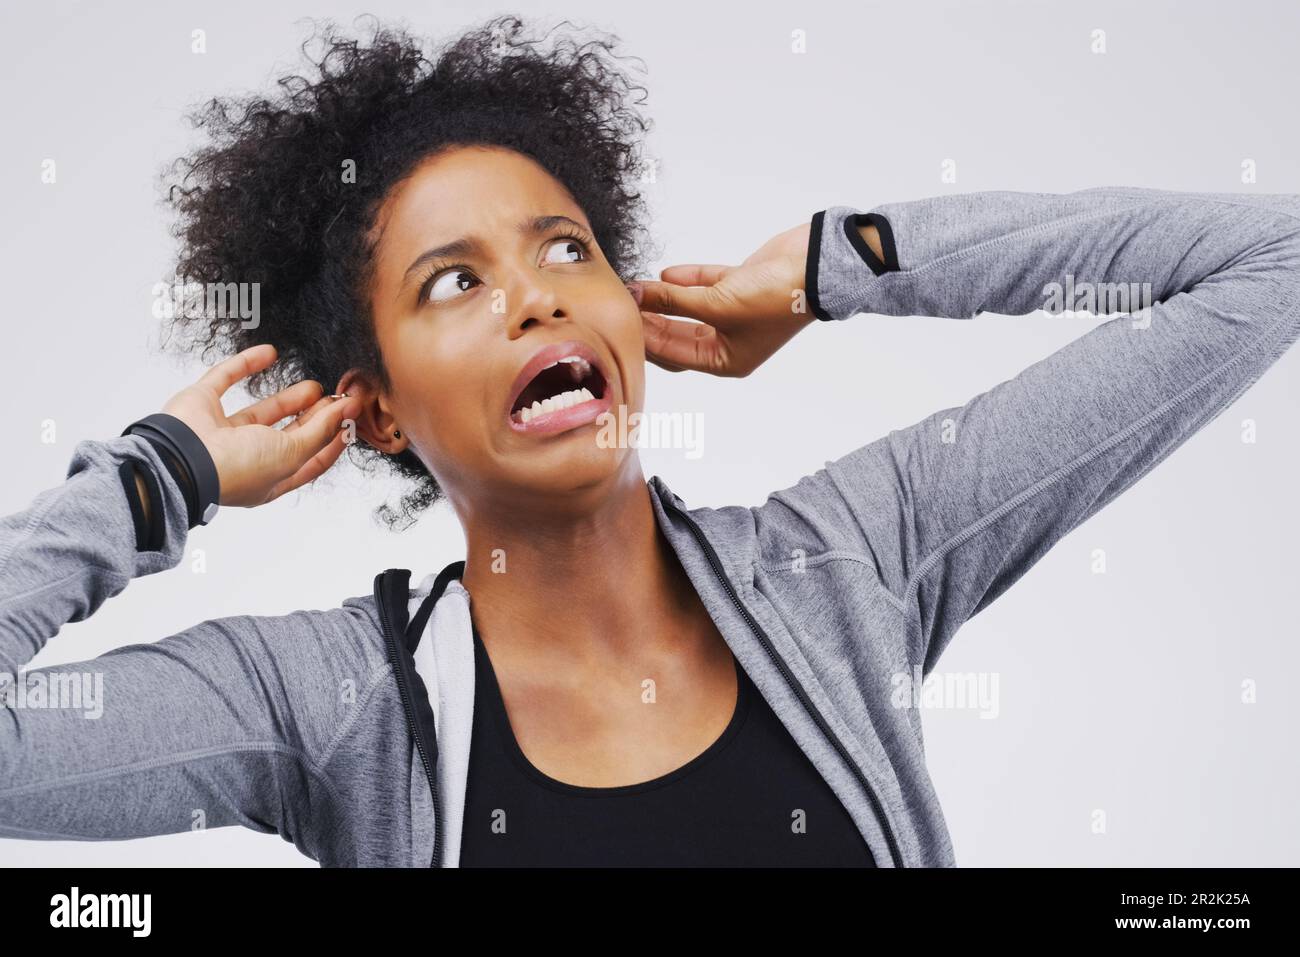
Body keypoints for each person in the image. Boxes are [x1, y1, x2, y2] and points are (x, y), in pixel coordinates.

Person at [3, 15, 1298, 868]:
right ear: (377, 406)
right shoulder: (328, 701)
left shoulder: (853, 559)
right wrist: (148, 481)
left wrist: (845, 267)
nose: (538, 293)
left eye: (570, 248)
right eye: (453, 282)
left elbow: (1270, 264)